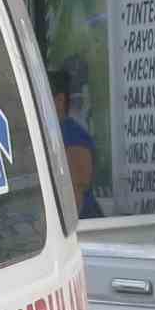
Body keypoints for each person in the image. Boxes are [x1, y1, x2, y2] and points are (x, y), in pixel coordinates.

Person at [51, 61, 102, 218]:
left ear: (59, 101)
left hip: (84, 229)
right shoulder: (55, 134)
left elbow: (76, 190)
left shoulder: (75, 139)